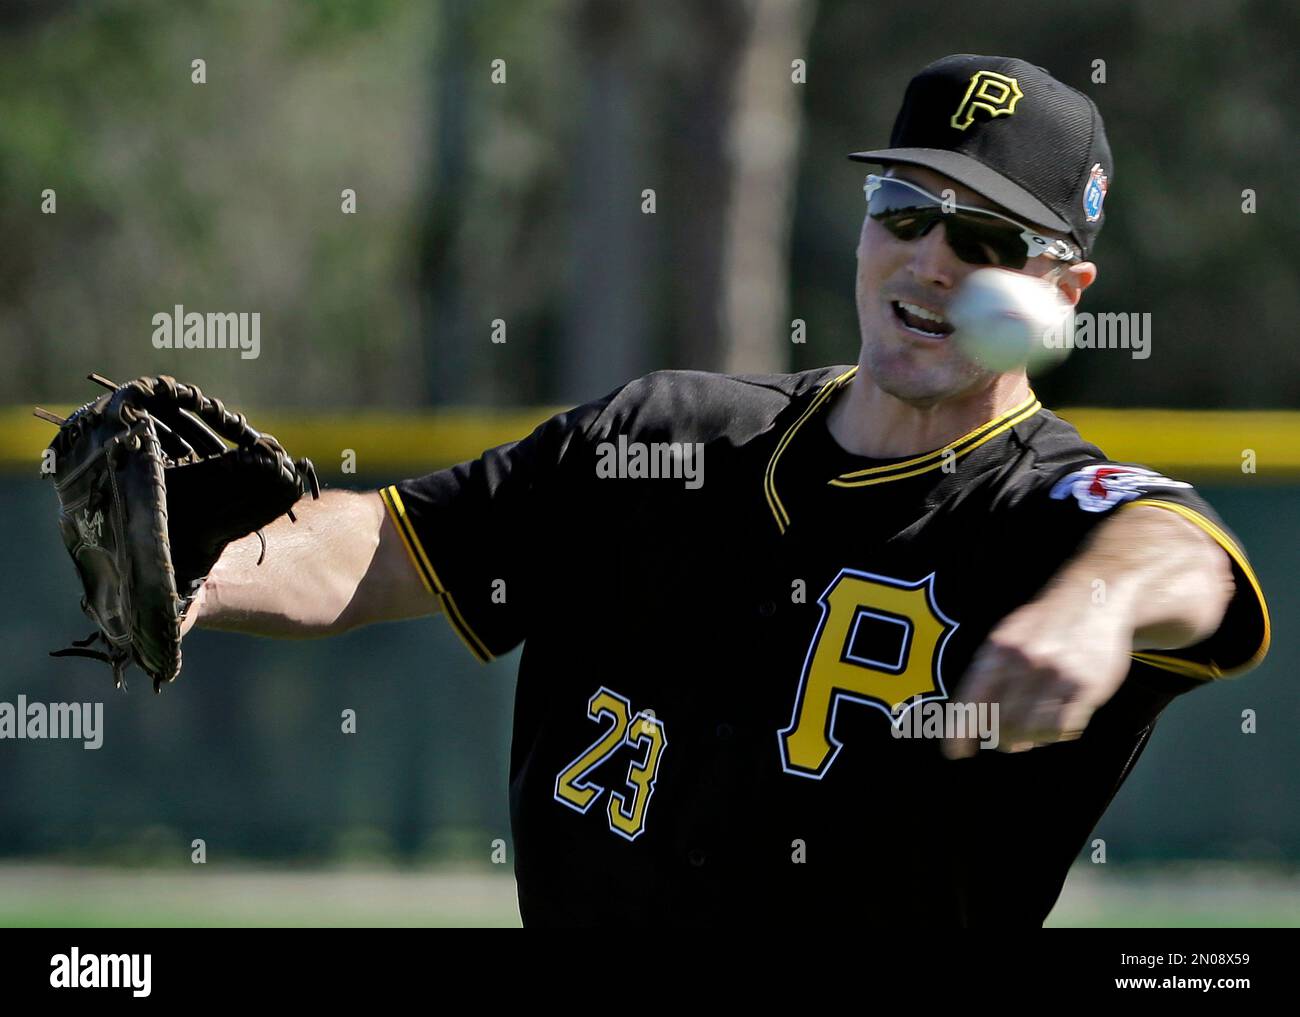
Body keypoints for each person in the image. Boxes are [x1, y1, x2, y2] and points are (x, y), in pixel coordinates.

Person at [186, 54, 1269, 926]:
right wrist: (199, 568)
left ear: (1062, 292)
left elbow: (1189, 559)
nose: (931, 260)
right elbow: (378, 547)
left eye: (987, 238)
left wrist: (1094, 604)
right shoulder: (659, 438)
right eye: (903, 210)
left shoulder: (1041, 509)